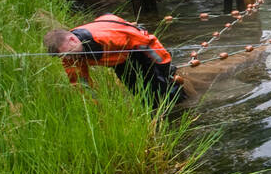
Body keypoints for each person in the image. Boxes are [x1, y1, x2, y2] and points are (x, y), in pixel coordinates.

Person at [44, 14, 185, 107]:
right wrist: (94, 101)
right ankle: (156, 111)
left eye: (67, 54)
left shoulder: (108, 37)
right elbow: (81, 82)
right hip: (118, 62)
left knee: (160, 84)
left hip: (136, 49)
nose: (67, 59)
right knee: (141, 94)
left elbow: (150, 44)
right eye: (62, 56)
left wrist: (163, 68)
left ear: (73, 40)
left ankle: (179, 102)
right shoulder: (69, 55)